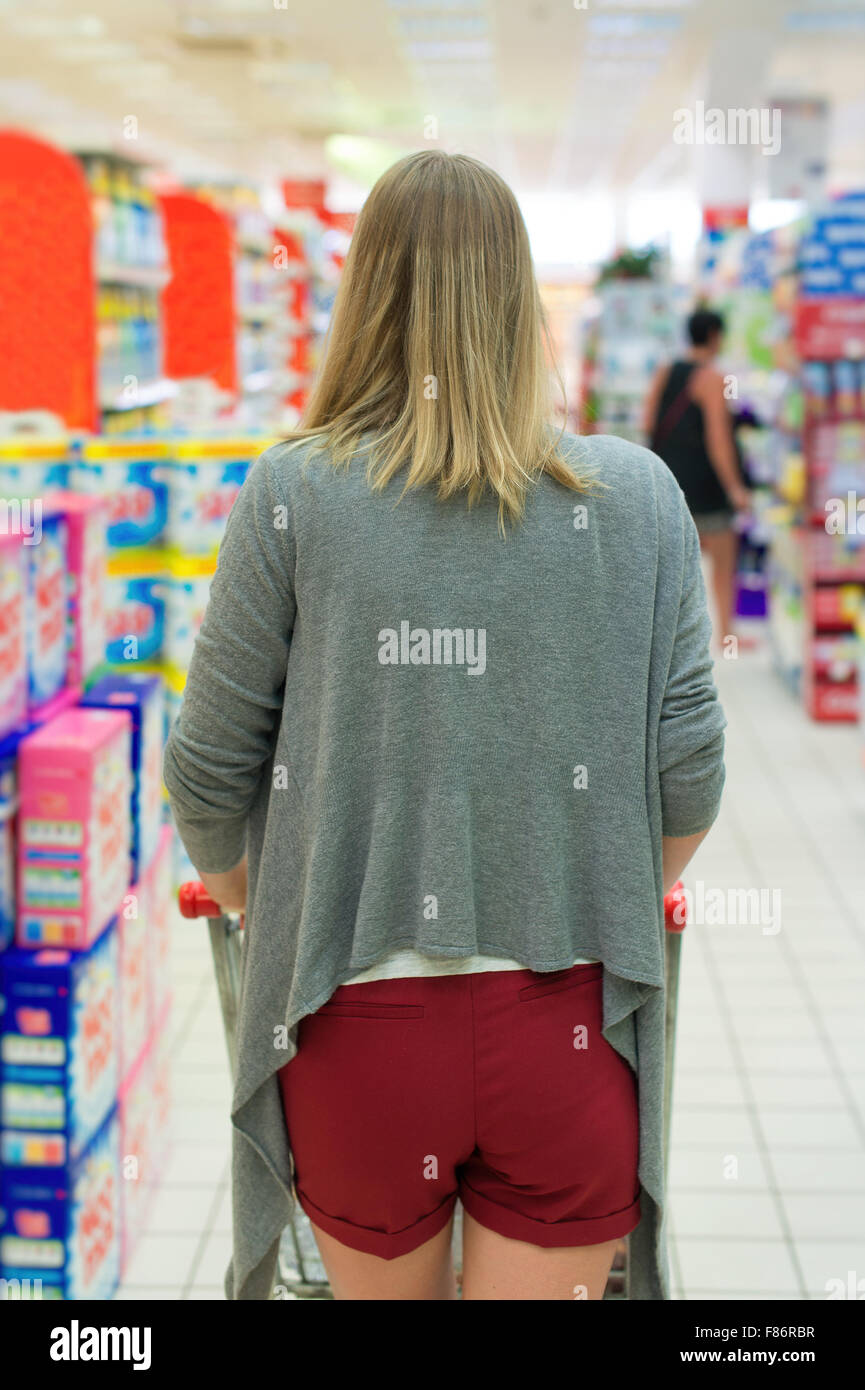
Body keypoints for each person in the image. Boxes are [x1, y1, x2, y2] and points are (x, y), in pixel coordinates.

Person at [163, 151, 726, 1302]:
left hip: (356, 1024)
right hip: (567, 1024)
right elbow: (691, 773)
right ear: (521, 305)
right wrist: (596, 878)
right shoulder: (637, 500)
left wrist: (264, 903)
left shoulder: (293, 495)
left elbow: (205, 770)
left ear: (362, 298)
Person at [644, 308, 751, 645]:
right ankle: (727, 635)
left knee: (673, 563)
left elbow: (648, 424)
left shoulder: (665, 371)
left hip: (669, 479)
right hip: (705, 482)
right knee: (723, 559)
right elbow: (719, 442)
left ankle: (665, 641)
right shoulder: (712, 378)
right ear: (716, 336)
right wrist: (736, 489)